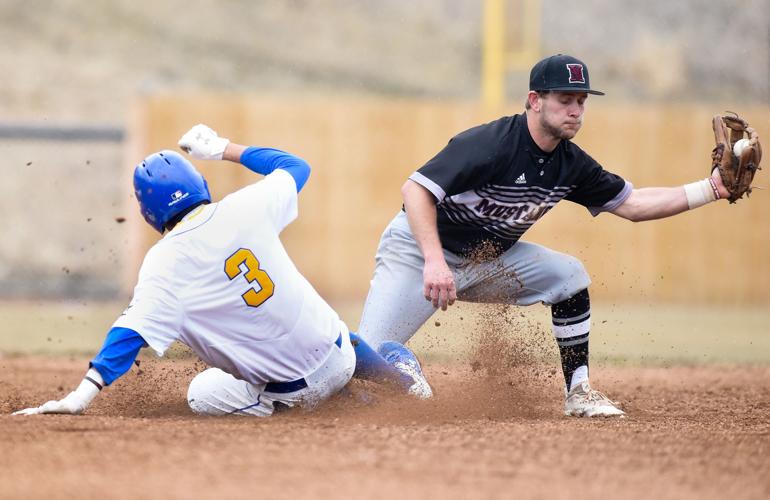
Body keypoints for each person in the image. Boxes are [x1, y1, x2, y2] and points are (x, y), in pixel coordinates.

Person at [357, 54, 734, 417]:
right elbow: (416, 191)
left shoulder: (571, 164)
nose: (575, 110)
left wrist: (711, 189)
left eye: (581, 101)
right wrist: (435, 262)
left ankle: (579, 392)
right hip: (420, 252)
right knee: (362, 361)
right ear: (535, 101)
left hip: (489, 260)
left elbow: (633, 204)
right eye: (564, 99)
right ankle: (399, 372)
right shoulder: (491, 144)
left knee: (568, 275)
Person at [14, 124, 431, 418]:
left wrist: (80, 396)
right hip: (342, 354)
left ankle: (354, 408)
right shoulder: (245, 207)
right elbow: (295, 166)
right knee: (324, 330)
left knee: (201, 393)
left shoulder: (164, 263)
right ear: (198, 183)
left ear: (147, 211)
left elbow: (128, 334)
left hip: (294, 393)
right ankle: (400, 382)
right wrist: (222, 148)